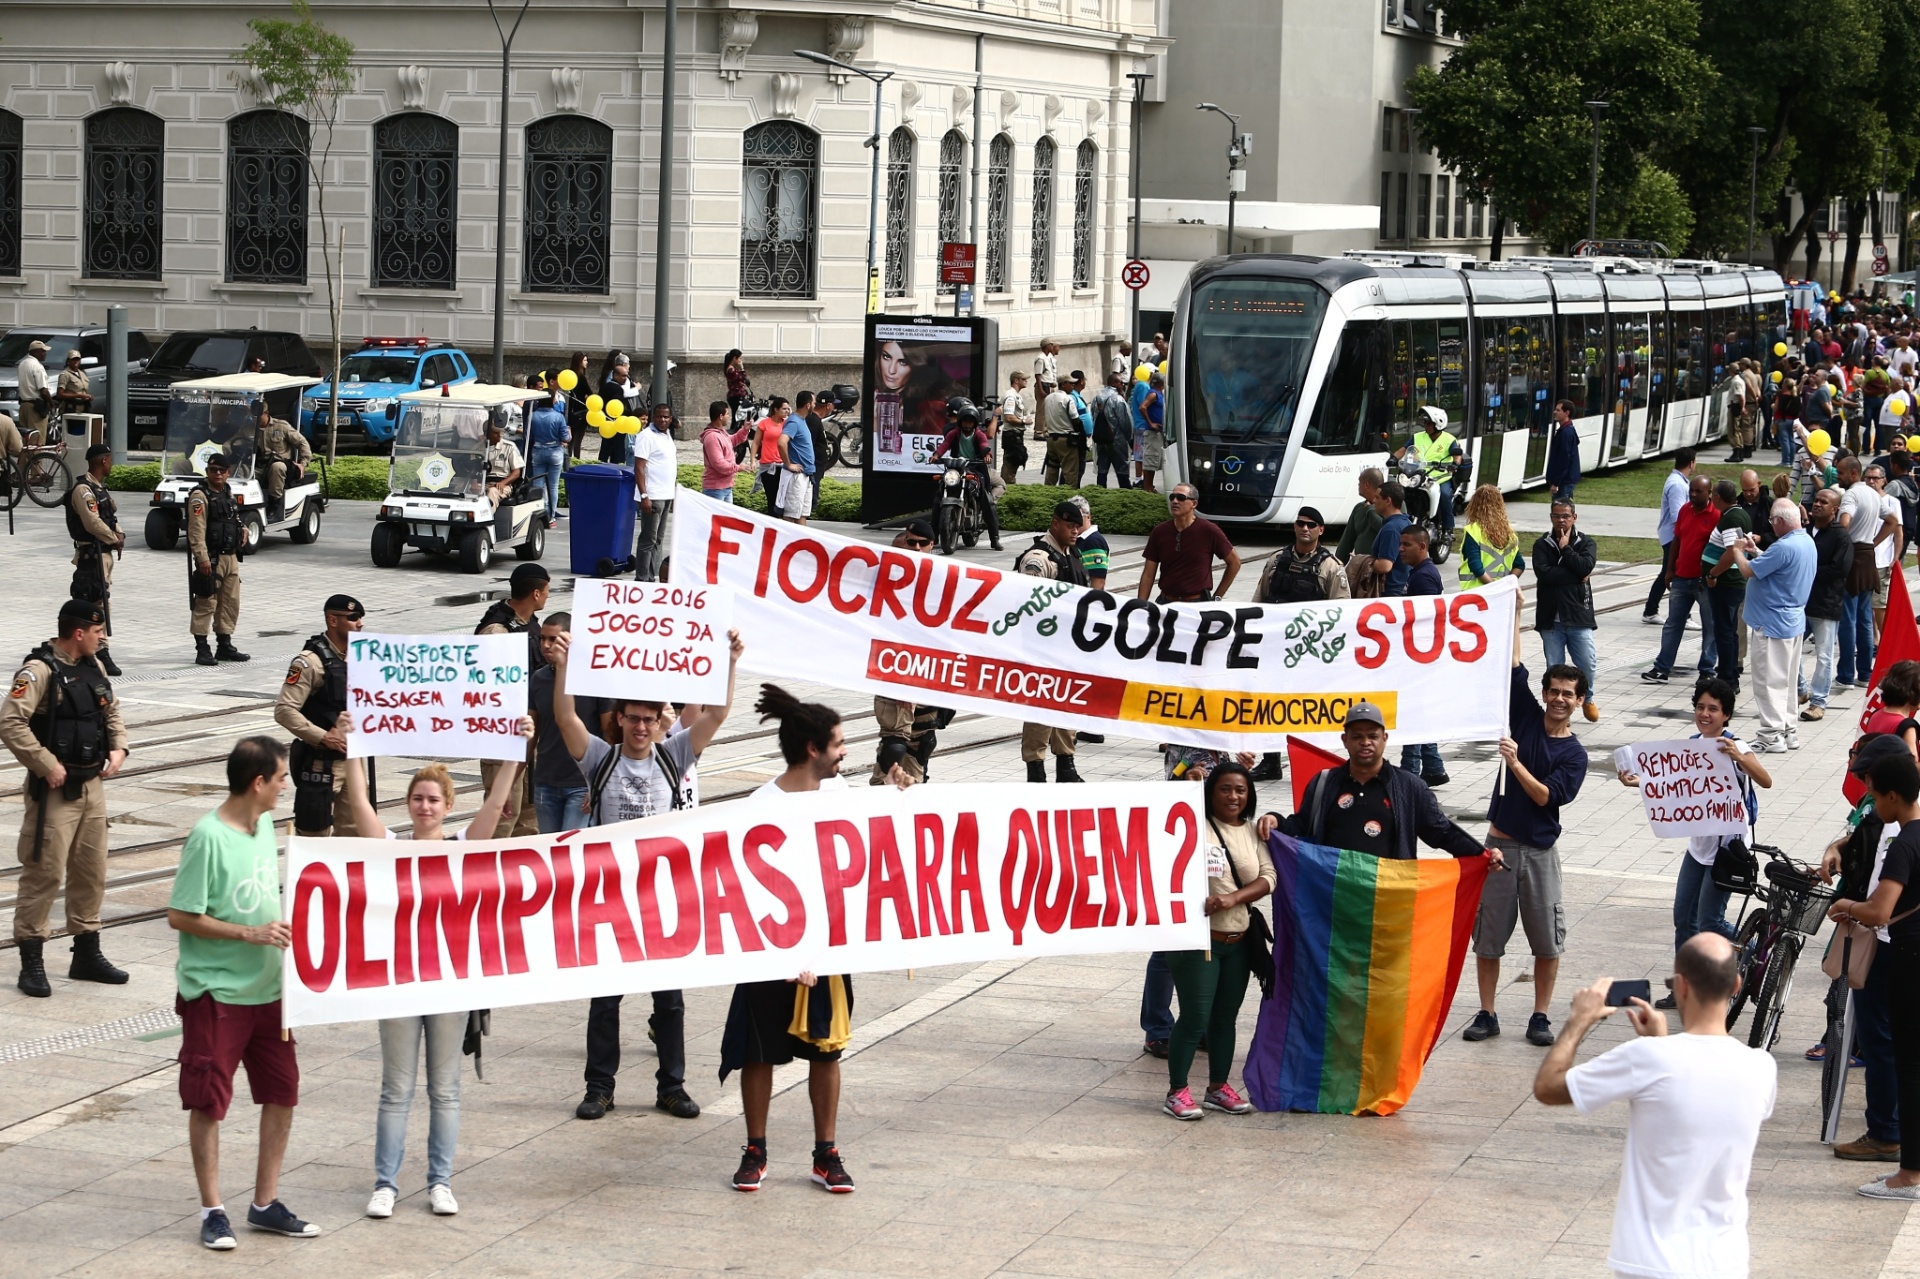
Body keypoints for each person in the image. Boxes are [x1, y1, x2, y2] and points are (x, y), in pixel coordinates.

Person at [549, 626, 745, 1124]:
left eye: (649, 719)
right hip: (612, 897)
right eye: (632, 718)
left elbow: (718, 714)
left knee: (670, 1000)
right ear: (620, 720)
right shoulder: (601, 758)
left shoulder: (674, 754)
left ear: (662, 723)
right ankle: (599, 1087)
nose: (640, 727)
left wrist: (729, 661)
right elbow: (565, 716)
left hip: (663, 899)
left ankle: (671, 1086)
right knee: (606, 999)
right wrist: (564, 668)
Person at [339, 725, 529, 1221]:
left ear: (447, 805)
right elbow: (359, 804)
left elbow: (494, 808)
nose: (425, 807)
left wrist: (513, 754)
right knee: (395, 1089)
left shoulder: (462, 847)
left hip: (448, 983)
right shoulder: (391, 847)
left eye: (433, 800)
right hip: (399, 983)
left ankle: (440, 1182)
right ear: (408, 805)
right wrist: (355, 748)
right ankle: (386, 1184)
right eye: (418, 799)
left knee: (444, 1089)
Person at [723, 685, 895, 1194]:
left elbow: (882, 838)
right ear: (812, 750)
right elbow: (746, 889)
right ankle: (755, 1149)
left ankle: (826, 1152)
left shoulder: (840, 795)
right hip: (771, 953)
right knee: (757, 1053)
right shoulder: (761, 805)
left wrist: (900, 788)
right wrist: (784, 953)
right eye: (839, 743)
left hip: (827, 950)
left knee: (827, 1051)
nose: (845, 752)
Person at [1531, 936, 1777, 1273]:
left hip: (1650, 1264)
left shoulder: (1648, 1059)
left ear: (1680, 987)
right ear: (1736, 985)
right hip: (1724, 1264)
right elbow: (1699, 1097)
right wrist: (1660, 1046)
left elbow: (1548, 1087)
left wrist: (1578, 1021)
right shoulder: (1762, 1067)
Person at [167, 736, 322, 1251]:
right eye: (282, 777)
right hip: (216, 992)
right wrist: (249, 934)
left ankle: (264, 1202)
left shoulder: (263, 826)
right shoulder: (207, 837)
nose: (287, 785)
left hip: (269, 990)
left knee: (283, 1091)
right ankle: (213, 1210)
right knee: (209, 1100)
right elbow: (180, 915)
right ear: (258, 783)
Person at [1461, 622, 1589, 1047]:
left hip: (1539, 854)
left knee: (1547, 942)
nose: (1558, 699)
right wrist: (1512, 611)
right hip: (1497, 847)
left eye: (1568, 694)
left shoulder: (1574, 754)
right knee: (1488, 937)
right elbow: (1514, 666)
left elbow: (1545, 797)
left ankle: (1540, 1016)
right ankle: (1487, 1012)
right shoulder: (1527, 718)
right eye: (1553, 690)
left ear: (1579, 701)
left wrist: (1515, 764)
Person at [1, 597, 129, 996]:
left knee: (92, 872)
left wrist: (119, 747)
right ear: (78, 633)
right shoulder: (39, 671)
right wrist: (44, 764)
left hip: (92, 786)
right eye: (97, 632)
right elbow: (10, 721)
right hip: (54, 791)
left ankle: (86, 952)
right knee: (45, 873)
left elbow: (111, 711)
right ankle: (32, 959)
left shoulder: (95, 666)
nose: (102, 638)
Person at [1618, 680, 1770, 991]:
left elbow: (1765, 780)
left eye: (1713, 709)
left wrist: (1738, 757)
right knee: (1683, 919)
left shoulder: (1736, 745)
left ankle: (1755, 951)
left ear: (1726, 715)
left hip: (1728, 850)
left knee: (1709, 922)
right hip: (1698, 847)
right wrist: (1636, 782)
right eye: (1700, 707)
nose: (1705, 713)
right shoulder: (1691, 745)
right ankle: (1683, 986)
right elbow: (1673, 787)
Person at [1825, 750, 1920, 1200]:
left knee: (1905, 1062)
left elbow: (1881, 911)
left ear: (1894, 796)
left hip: (1906, 958)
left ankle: (1908, 1172)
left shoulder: (1903, 843)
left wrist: (1846, 907)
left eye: (1876, 796)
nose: (1873, 805)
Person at [1160, 762, 1274, 1122]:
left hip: (1238, 941)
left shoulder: (1253, 832)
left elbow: (1269, 876)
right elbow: (1160, 822)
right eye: (1224, 789)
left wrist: (1232, 899)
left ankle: (1217, 1088)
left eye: (1240, 790)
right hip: (1198, 941)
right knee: (1195, 1017)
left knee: (1225, 1018)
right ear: (1211, 792)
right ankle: (1177, 1091)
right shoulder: (1195, 824)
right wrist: (1184, 785)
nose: (1233, 796)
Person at [1255, 701, 1499, 866]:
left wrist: (1482, 854)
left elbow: (1441, 832)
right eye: (1357, 736)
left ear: (1385, 739)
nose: (1365, 742)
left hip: (1387, 901)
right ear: (1345, 740)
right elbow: (1303, 824)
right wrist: (1276, 819)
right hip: (1333, 898)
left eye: (1372, 736)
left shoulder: (1409, 787)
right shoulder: (1324, 782)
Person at [1723, 498, 1817, 753]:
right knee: (1785, 681)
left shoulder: (1784, 547)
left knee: (1768, 681)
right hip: (1792, 621)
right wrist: (1755, 551)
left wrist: (1737, 551)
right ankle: (1788, 730)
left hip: (1771, 624)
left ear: (1780, 521)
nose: (1770, 527)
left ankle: (1771, 734)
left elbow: (1748, 571)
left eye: (1772, 522)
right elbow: (1774, 566)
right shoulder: (1805, 541)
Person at [274, 594, 365, 839]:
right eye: (353, 618)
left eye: (361, 618)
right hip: (322, 763)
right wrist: (323, 737)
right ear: (332, 621)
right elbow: (284, 710)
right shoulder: (309, 662)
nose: (360, 623)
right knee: (315, 835)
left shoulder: (361, 657)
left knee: (357, 836)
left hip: (354, 761)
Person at [1015, 502, 1089, 783]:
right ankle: (1035, 768)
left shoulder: (1072, 553)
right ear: (1055, 523)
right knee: (1041, 707)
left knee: (1067, 704)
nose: (1075, 531)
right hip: (1043, 650)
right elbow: (1029, 604)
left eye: (1078, 526)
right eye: (1070, 526)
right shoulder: (1038, 558)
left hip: (1069, 648)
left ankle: (1066, 764)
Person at [475, 563, 549, 837]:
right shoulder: (497, 632)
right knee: (502, 817)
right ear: (536, 593)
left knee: (530, 819)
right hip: (504, 738)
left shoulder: (530, 626)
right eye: (547, 590)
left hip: (530, 736)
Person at [1642, 475, 1720, 683]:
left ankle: (1707, 670)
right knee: (1672, 624)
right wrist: (1669, 569)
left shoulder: (1716, 515)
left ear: (1709, 494)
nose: (1693, 495)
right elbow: (1677, 539)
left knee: (1710, 626)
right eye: (1691, 491)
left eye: (1698, 491)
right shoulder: (1685, 510)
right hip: (1681, 578)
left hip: (1704, 582)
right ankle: (1662, 668)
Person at [1533, 500, 1600, 722]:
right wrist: (1574, 575)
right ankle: (1557, 711)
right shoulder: (1542, 544)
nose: (1561, 520)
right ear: (1551, 517)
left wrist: (1566, 550)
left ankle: (1587, 698)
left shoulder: (1586, 543)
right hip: (1551, 619)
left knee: (1587, 663)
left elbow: (1585, 567)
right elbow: (1544, 575)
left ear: (1574, 517)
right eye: (1556, 516)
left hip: (1578, 615)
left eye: (1565, 516)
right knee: (1554, 669)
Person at [1396, 525, 1450, 785]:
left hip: (1420, 657)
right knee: (1421, 711)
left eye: (1406, 545)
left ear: (1423, 546)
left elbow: (1428, 620)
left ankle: (1409, 771)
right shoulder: (1419, 573)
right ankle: (1433, 767)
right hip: (1419, 656)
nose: (1401, 549)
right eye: (1400, 544)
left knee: (1412, 712)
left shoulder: (1423, 577)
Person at [65, 443, 124, 677]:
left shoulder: (100, 489)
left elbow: (109, 517)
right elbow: (92, 522)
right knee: (94, 603)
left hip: (104, 553)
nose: (111, 464)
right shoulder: (84, 490)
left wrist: (119, 534)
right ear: (103, 461)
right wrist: (114, 538)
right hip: (92, 554)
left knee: (102, 601)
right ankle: (98, 652)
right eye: (110, 460)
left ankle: (96, 650)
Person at [187, 453, 248, 667]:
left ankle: (224, 644)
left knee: (230, 602)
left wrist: (243, 528)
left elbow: (234, 517)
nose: (218, 474)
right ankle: (202, 648)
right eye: (214, 470)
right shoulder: (199, 496)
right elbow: (196, 530)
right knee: (206, 602)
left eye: (222, 470)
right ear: (207, 471)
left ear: (228, 472)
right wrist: (201, 557)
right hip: (211, 559)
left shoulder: (227, 491)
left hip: (231, 557)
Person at [1138, 484, 1240, 603]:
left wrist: (1217, 597)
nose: (1175, 501)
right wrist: (1140, 605)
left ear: (1194, 504)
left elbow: (1235, 562)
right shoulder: (1160, 531)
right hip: (1166, 602)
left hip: (1197, 604)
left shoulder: (1209, 530)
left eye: (1181, 497)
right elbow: (1148, 574)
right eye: (1172, 497)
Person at [1801, 488, 1851, 720]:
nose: (1817, 504)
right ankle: (1801, 689)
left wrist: (1808, 571)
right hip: (1800, 602)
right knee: (1788, 648)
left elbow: (1839, 569)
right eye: (1816, 500)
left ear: (1835, 509)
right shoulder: (1804, 530)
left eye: (1824, 502)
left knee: (1824, 655)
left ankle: (1819, 701)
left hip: (1826, 604)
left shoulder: (1840, 536)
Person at [929, 399, 1004, 551]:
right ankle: (934, 535)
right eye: (965, 422)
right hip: (956, 467)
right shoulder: (954, 433)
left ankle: (994, 538)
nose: (967, 425)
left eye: (970, 422)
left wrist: (986, 454)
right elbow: (944, 445)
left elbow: (984, 446)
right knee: (938, 497)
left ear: (975, 423)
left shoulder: (979, 435)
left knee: (986, 499)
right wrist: (936, 455)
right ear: (960, 422)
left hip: (975, 468)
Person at [1838, 456, 1886, 686]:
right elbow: (1893, 520)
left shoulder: (1852, 494)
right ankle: (1865, 673)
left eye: (1841, 473)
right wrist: (1874, 541)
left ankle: (1846, 674)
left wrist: (1838, 542)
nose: (1839, 477)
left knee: (1848, 618)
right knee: (1865, 619)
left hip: (1854, 557)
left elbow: (1845, 522)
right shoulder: (1873, 493)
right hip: (1868, 556)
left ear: (1853, 474)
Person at [1702, 478, 1752, 691]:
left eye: (1713, 494)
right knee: (1729, 631)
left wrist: (1713, 574)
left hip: (1726, 583)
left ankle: (1727, 678)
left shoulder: (1731, 519)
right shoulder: (1738, 514)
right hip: (1731, 583)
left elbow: (1733, 551)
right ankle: (1729, 674)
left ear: (1718, 497)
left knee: (1724, 631)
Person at [1392, 406, 1464, 542]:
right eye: (1425, 422)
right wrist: (1393, 458)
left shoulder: (1449, 439)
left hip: (1440, 477)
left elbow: (1457, 453)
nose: (1426, 425)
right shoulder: (1417, 437)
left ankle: (1448, 530)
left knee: (1445, 495)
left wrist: (1455, 464)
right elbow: (1403, 449)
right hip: (1418, 475)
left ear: (1438, 424)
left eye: (1429, 423)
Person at [1643, 447, 1697, 623]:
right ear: (1691, 463)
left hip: (1673, 535)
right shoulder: (1677, 485)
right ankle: (1681, 615)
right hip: (1674, 536)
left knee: (1669, 572)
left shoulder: (1680, 482)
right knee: (1676, 574)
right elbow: (1677, 515)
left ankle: (1651, 611)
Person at [633, 401, 677, 580]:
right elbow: (639, 467)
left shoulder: (667, 435)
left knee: (658, 540)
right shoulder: (646, 436)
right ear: (653, 417)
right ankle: (643, 578)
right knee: (648, 540)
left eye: (666, 417)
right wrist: (644, 495)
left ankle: (653, 576)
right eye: (659, 416)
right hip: (652, 496)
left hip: (666, 495)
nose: (662, 420)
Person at [252, 398, 311, 523]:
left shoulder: (281, 426)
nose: (256, 419)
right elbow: (235, 442)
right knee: (243, 472)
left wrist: (303, 463)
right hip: (258, 465)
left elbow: (302, 442)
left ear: (266, 414)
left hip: (280, 465)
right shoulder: (250, 428)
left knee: (277, 467)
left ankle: (274, 505)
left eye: (259, 416)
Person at [1867, 464, 1907, 635]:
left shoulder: (1892, 502)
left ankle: (1883, 639)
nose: (1871, 481)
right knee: (1864, 604)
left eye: (1875, 478)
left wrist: (1895, 558)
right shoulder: (1861, 499)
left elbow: (1898, 533)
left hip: (1881, 560)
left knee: (1879, 604)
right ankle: (1872, 638)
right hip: (1863, 560)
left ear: (1884, 480)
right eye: (1867, 477)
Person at [1458, 484, 1523, 586]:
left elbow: (1476, 567)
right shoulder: (1510, 534)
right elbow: (1519, 565)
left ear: (1474, 505)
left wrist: (1493, 587)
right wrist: (1507, 585)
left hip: (1476, 594)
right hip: (1502, 594)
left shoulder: (1473, 531)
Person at [1335, 468, 1387, 597]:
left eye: (1359, 482)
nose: (1357, 486)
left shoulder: (1391, 505)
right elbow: (1347, 540)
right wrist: (1336, 566)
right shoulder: (1359, 508)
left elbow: (1385, 528)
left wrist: (1370, 510)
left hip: (1383, 572)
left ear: (1366, 484)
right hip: (1361, 571)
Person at [525, 388, 570, 527]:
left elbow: (529, 436)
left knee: (538, 484)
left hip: (538, 450)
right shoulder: (558, 416)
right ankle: (551, 517)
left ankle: (539, 514)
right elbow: (565, 438)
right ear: (551, 400)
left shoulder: (532, 416)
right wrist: (568, 433)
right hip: (555, 451)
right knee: (553, 486)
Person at [777, 394, 817, 524]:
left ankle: (803, 543)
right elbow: (781, 442)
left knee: (802, 515)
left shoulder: (801, 420)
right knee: (790, 515)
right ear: (808, 405)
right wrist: (789, 464)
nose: (815, 406)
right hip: (797, 476)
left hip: (806, 474)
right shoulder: (794, 421)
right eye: (814, 403)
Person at [1369, 480, 1413, 597]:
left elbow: (1385, 565)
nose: (1374, 501)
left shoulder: (1391, 529)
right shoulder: (1406, 522)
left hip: (1390, 593)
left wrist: (1361, 561)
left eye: (1377, 498)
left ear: (1388, 501)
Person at [1091, 370, 1134, 489]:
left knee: (1102, 468)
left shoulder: (1096, 398)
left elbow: (1093, 416)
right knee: (1122, 469)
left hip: (1100, 438)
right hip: (1117, 439)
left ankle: (1099, 492)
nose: (1123, 385)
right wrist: (1129, 438)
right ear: (1114, 383)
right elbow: (1125, 421)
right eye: (1121, 383)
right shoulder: (1117, 399)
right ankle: (1126, 494)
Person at [700, 399, 748, 501]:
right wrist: (738, 467)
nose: (729, 417)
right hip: (715, 490)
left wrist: (745, 429)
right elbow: (719, 464)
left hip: (725, 487)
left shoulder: (721, 433)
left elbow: (732, 440)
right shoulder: (712, 437)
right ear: (721, 416)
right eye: (728, 414)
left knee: (725, 517)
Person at [595, 351, 636, 466]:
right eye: (623, 376)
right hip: (617, 422)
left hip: (606, 421)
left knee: (606, 446)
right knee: (617, 448)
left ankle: (603, 463)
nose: (625, 378)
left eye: (626, 375)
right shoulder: (616, 389)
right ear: (615, 375)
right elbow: (620, 406)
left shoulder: (606, 386)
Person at [1040, 375, 1081, 487]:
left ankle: (1048, 493)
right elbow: (1075, 419)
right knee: (1070, 471)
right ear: (1063, 384)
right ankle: (1069, 497)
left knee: (1052, 468)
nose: (1073, 386)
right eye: (1070, 383)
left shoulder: (1048, 398)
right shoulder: (1067, 399)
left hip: (1051, 438)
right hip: (1066, 439)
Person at [753, 396, 788, 510]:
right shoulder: (764, 423)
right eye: (784, 409)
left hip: (783, 466)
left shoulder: (788, 424)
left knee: (782, 499)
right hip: (768, 466)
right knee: (771, 499)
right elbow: (756, 442)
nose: (787, 411)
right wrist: (752, 460)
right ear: (776, 409)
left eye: (788, 409)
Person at [1544, 400, 1580, 501]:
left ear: (1567, 413)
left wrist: (1556, 483)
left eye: (1558, 410)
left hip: (1563, 482)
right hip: (1565, 481)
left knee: (1561, 510)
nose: (1555, 412)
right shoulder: (1568, 430)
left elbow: (1563, 460)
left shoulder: (1565, 433)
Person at [998, 370, 1030, 484]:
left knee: (1014, 462)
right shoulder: (1011, 396)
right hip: (1012, 435)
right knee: (1011, 464)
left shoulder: (1016, 395)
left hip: (1015, 434)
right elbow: (1009, 418)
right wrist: (1024, 421)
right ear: (1016, 380)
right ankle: (1006, 487)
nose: (1026, 381)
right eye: (1024, 379)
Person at [16, 338, 49, 444]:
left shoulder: (22, 364)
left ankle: (24, 461)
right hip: (35, 408)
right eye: (43, 351)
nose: (45, 353)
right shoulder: (37, 366)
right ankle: (35, 461)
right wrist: (51, 404)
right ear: (35, 352)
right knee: (36, 442)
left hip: (24, 406)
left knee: (26, 443)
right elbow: (43, 391)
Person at [1139, 372, 1167, 492]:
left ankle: (1150, 486)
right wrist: (1151, 423)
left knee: (1154, 461)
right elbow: (1142, 407)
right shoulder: (1153, 394)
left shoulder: (1160, 394)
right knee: (1150, 460)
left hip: (1158, 432)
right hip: (1152, 432)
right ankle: (1147, 487)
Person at [55, 348, 92, 421]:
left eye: (77, 359)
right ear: (68, 361)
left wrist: (88, 396)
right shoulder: (65, 374)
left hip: (84, 407)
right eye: (73, 359)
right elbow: (60, 394)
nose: (76, 362)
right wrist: (79, 395)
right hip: (71, 408)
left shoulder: (82, 373)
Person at [723, 348, 751, 425]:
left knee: (737, 417)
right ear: (735, 358)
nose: (740, 361)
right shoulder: (731, 370)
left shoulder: (732, 369)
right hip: (735, 396)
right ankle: (733, 433)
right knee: (736, 418)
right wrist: (742, 367)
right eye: (739, 358)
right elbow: (742, 378)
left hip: (737, 395)